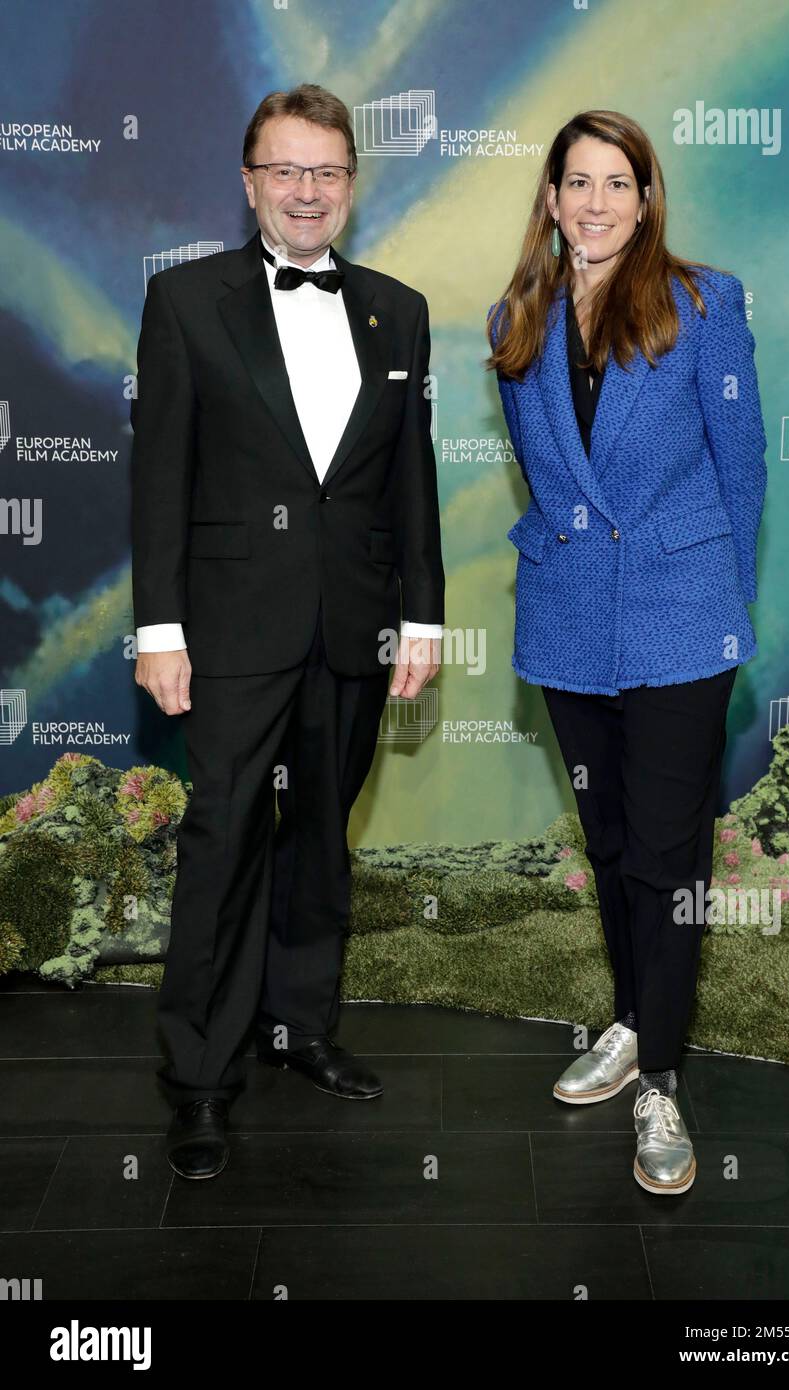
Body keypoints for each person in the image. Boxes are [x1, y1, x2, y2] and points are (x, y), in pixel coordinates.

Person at [131, 84, 444, 1180]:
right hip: (225, 626)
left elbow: (412, 480)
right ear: (250, 180)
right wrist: (159, 627)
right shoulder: (184, 303)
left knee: (320, 835)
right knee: (222, 841)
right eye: (286, 170)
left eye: (328, 172)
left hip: (354, 624)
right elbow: (158, 477)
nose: (307, 191)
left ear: (352, 184)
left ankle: (299, 1027)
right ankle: (200, 1077)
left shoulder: (397, 311)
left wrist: (423, 614)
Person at [486, 109, 767, 1195]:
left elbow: (740, 472)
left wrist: (720, 608)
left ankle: (662, 1078)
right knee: (607, 843)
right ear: (551, 200)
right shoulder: (516, 317)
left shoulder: (705, 304)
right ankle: (633, 1018)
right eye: (577, 183)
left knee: (666, 855)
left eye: (618, 182)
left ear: (648, 199)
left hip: (680, 620)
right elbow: (544, 475)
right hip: (568, 620)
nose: (597, 202)